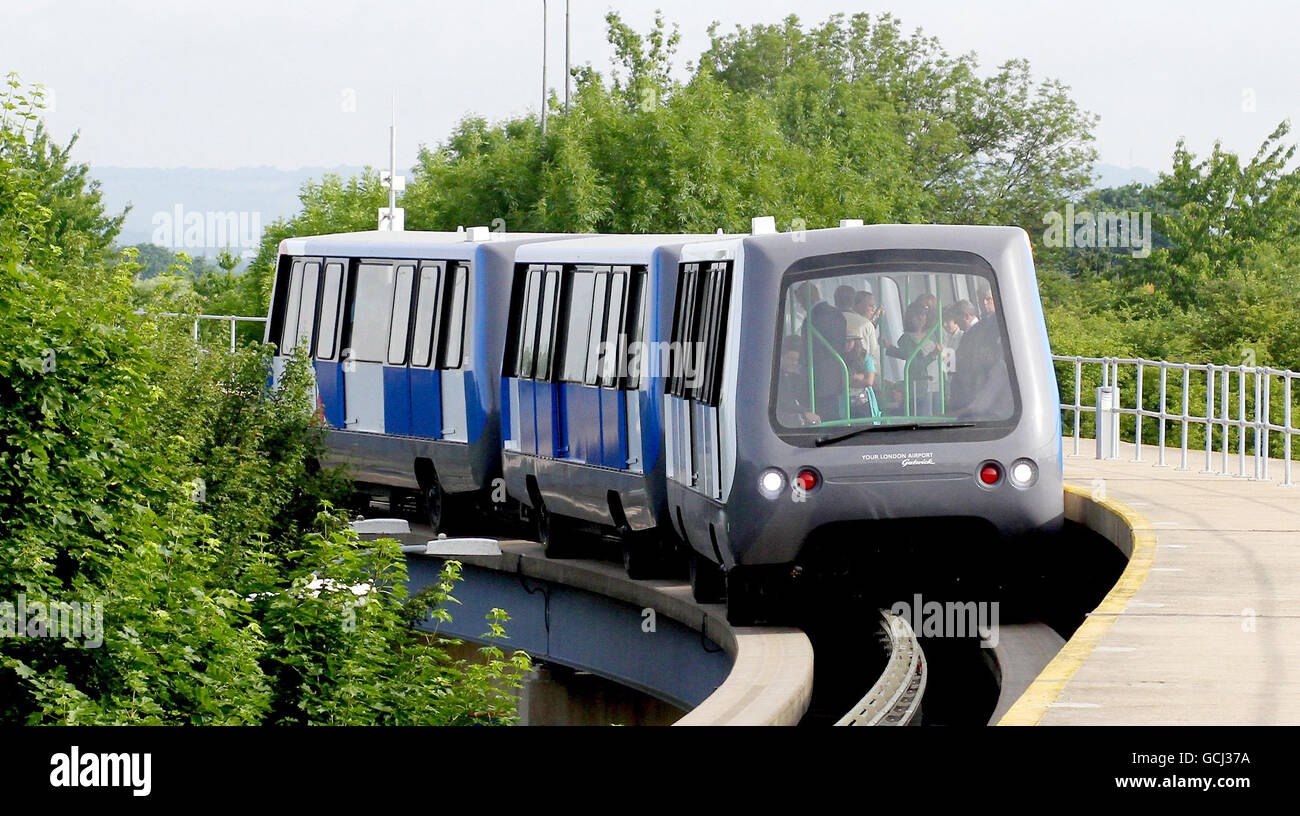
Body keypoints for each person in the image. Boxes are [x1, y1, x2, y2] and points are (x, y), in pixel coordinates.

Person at [804, 301, 850, 422]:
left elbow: (810, 349)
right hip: (832, 379)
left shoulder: (817, 316)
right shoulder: (835, 315)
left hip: (818, 378)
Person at [776, 335, 820, 427]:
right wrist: (804, 413)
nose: (794, 363)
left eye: (796, 360)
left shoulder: (797, 376)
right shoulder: (775, 377)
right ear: (781, 357)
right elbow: (784, 401)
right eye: (790, 359)